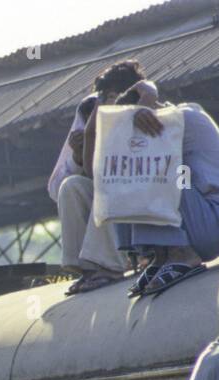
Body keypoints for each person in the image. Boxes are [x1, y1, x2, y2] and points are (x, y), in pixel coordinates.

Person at [84, 64, 219, 296]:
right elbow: (95, 168)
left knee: (149, 171)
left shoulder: (180, 117)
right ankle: (160, 255)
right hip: (194, 222)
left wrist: (145, 98)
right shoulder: (145, 123)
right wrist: (99, 114)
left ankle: (182, 253)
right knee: (119, 174)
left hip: (213, 223)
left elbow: (149, 99)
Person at [51, 62, 156, 296]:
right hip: (118, 204)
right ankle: (85, 268)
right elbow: (55, 189)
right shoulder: (91, 116)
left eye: (114, 95)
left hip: (149, 203)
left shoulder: (150, 114)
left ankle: (109, 266)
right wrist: (78, 157)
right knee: (72, 186)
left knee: (110, 180)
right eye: (107, 96)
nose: (110, 102)